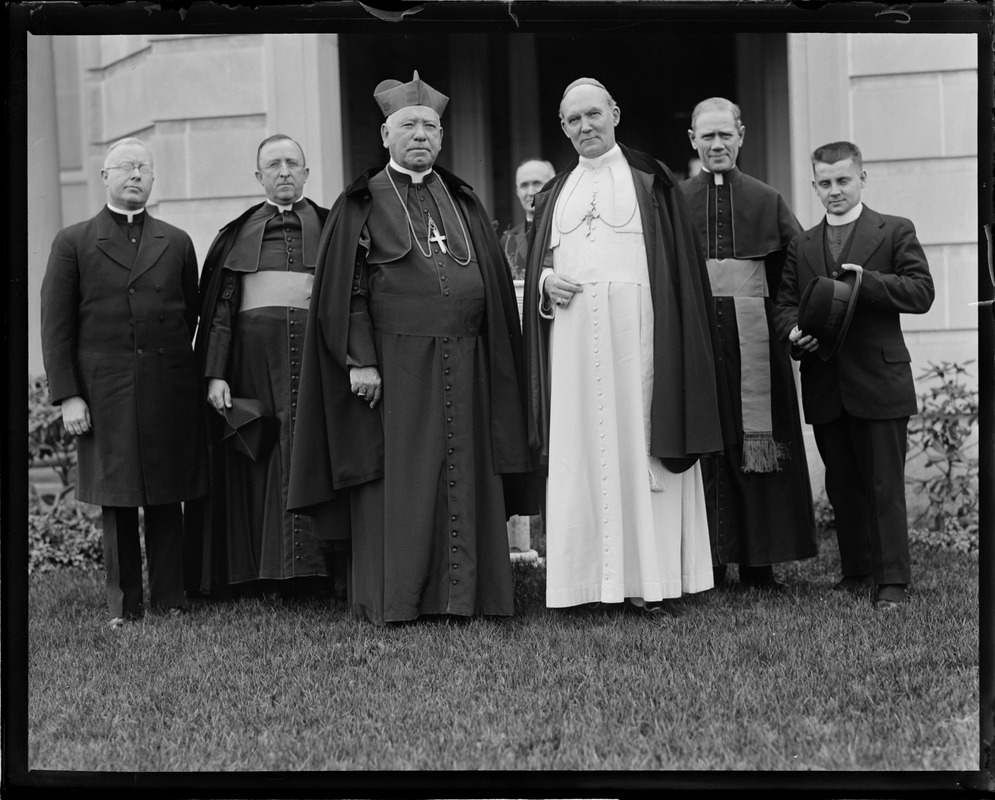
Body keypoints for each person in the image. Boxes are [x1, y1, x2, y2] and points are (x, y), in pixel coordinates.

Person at [286, 71, 536, 624]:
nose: (420, 134)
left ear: (442, 138)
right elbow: (348, 290)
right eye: (408, 125)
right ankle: (401, 599)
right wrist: (362, 361)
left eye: (430, 126)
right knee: (404, 481)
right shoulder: (362, 199)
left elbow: (490, 285)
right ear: (385, 134)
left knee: (467, 472)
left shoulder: (462, 198)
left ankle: (473, 597)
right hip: (396, 364)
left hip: (469, 359)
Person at [522, 77, 723, 613]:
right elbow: (539, 262)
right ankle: (583, 585)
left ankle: (648, 584)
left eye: (593, 114)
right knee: (579, 451)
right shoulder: (553, 194)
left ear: (615, 112)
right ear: (563, 129)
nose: (585, 126)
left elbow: (677, 270)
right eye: (573, 120)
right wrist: (544, 284)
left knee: (640, 446)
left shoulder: (650, 181)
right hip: (571, 343)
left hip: (640, 337)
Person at [40, 137, 207, 628]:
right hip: (105, 389)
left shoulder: (175, 241)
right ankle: (124, 605)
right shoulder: (73, 242)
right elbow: (57, 328)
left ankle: (171, 598)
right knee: (117, 497)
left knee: (167, 489)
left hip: (167, 385)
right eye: (125, 167)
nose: (136, 175)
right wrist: (69, 395)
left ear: (153, 180)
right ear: (105, 178)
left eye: (144, 169)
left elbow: (189, 314)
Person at [774, 141, 934, 610]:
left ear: (862, 178)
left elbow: (921, 291)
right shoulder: (802, 244)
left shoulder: (894, 230)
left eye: (843, 180)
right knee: (842, 483)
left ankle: (892, 582)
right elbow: (783, 306)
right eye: (824, 183)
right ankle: (857, 570)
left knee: (884, 484)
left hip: (880, 380)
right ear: (814, 186)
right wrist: (794, 334)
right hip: (825, 380)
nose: (834, 191)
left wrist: (867, 282)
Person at [192, 134, 342, 597]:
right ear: (259, 176)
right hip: (252, 370)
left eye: (292, 163)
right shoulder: (237, 234)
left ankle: (318, 573)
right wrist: (215, 372)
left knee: (313, 457)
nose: (283, 171)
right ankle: (260, 574)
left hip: (319, 367)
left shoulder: (332, 225)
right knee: (259, 461)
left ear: (306, 173)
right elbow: (221, 309)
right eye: (273, 165)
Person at [681, 97, 817, 591]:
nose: (717, 144)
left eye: (726, 134)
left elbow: (795, 275)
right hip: (698, 342)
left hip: (755, 341)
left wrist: (795, 325)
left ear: (741, 136)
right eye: (707, 135)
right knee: (708, 447)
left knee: (759, 447)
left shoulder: (768, 199)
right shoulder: (677, 200)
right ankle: (710, 562)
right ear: (692, 140)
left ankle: (760, 563)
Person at [500, 158, 556, 279]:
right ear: (517, 192)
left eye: (537, 183)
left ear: (554, 186)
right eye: (524, 185)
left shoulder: (566, 231)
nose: (530, 192)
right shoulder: (508, 240)